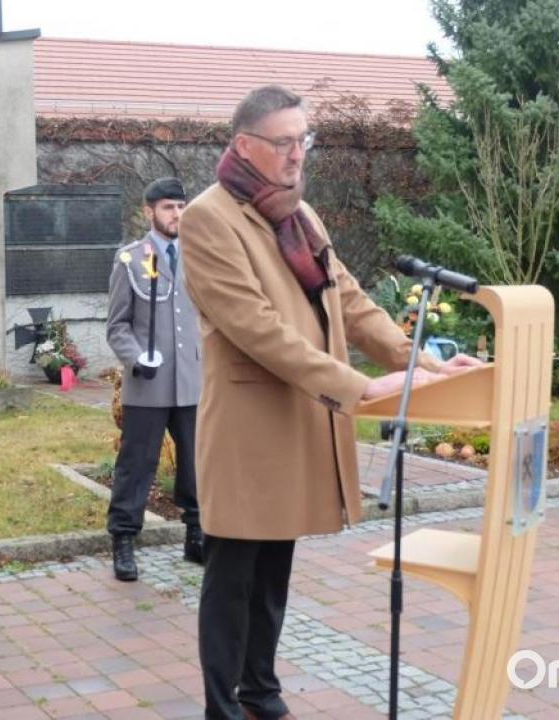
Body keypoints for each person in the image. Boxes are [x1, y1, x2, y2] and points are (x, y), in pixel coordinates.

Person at [179, 85, 481, 720]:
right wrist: (356, 385)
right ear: (245, 146)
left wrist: (423, 362)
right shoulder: (209, 218)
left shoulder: (298, 214)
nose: (297, 155)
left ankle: (259, 689)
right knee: (233, 574)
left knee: (275, 568)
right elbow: (254, 325)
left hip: (295, 416)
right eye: (284, 142)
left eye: (303, 140)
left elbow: (350, 302)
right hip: (247, 428)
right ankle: (221, 707)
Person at [105, 177, 203, 581]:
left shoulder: (200, 256)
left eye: (181, 207)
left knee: (198, 461)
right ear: (149, 212)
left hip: (193, 380)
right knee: (136, 463)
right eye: (167, 207)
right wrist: (133, 358)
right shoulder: (131, 259)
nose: (176, 214)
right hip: (148, 382)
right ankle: (124, 540)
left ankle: (197, 533)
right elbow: (117, 326)